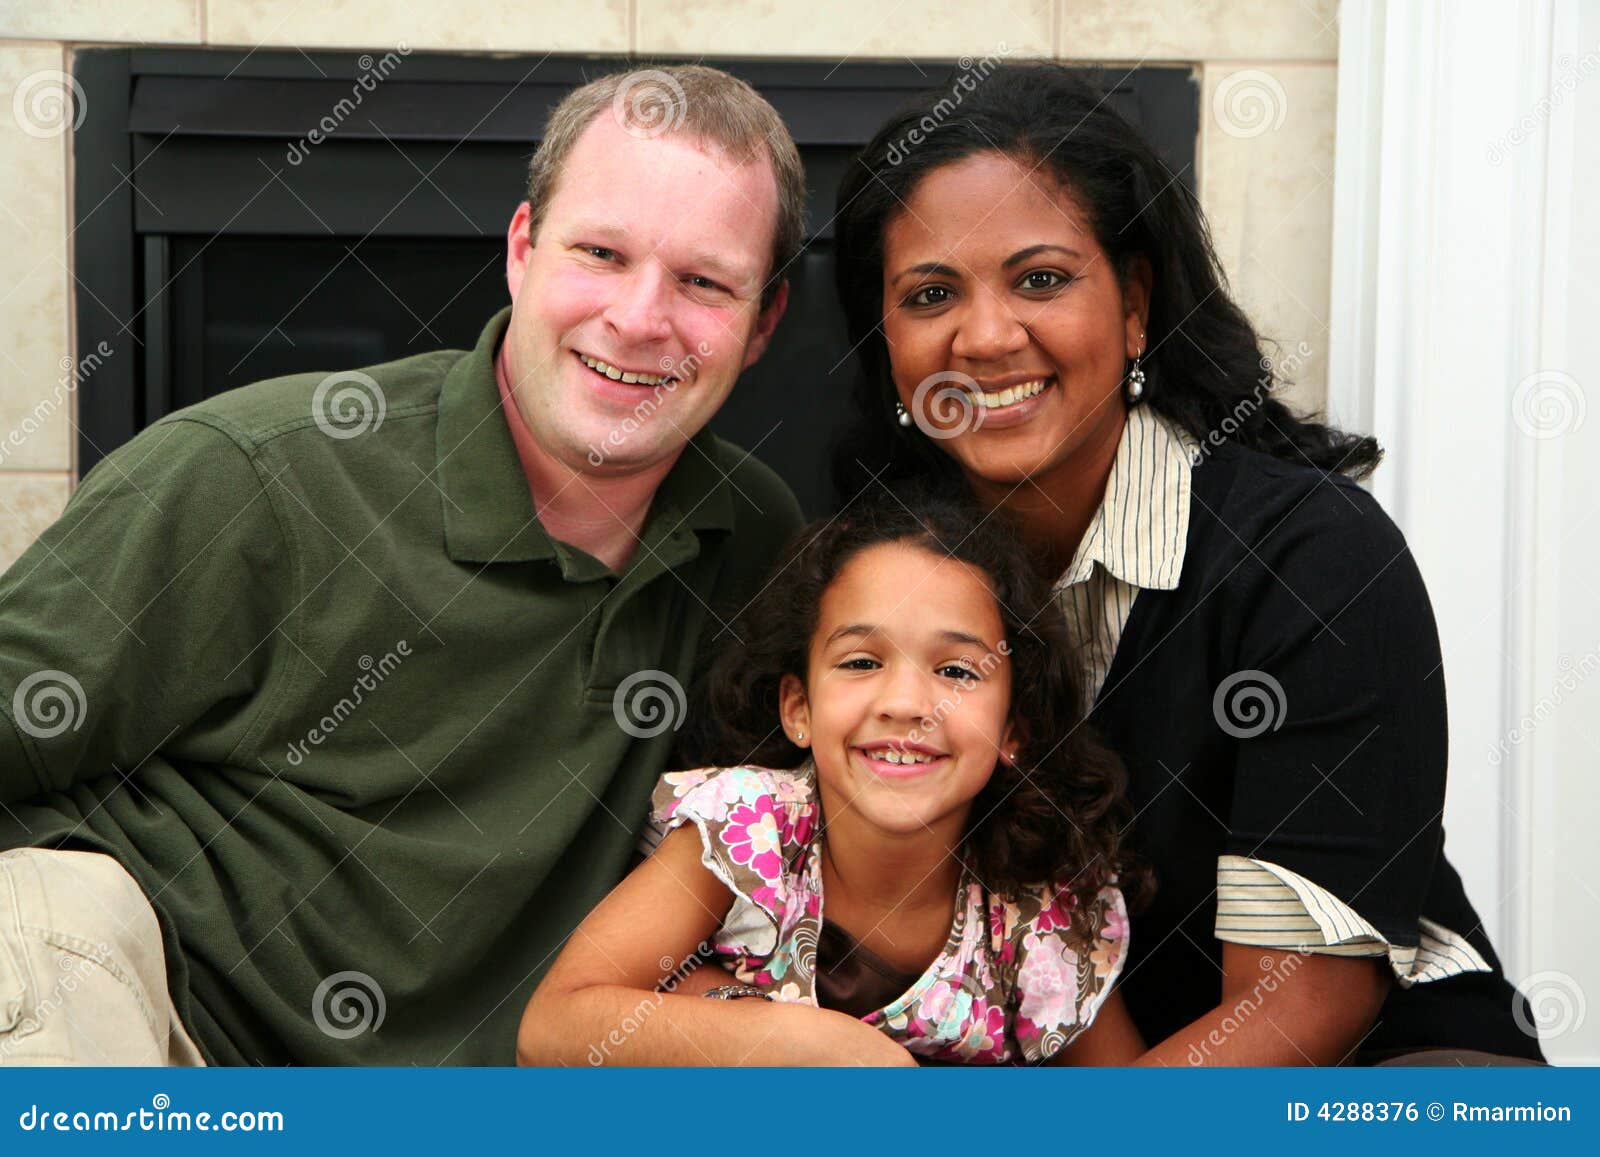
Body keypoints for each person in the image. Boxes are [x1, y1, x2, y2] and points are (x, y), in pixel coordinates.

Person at [0, 65, 804, 1066]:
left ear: (762, 322)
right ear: (522, 251)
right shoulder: (251, 472)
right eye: (600, 252)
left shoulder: (761, 542)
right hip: (166, 1037)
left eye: (703, 282)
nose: (640, 318)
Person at [828, 63, 1545, 1065]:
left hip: (1361, 1078)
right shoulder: (857, 577)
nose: (985, 336)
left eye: (1041, 279)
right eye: (930, 293)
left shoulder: (1312, 557)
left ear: (1133, 306)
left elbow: (1297, 1012)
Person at [519, 486, 1148, 1065]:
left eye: (956, 671)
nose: (904, 704)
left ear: (1015, 729)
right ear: (799, 708)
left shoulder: (1043, 913)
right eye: (861, 660)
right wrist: (797, 1040)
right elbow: (553, 1028)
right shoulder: (748, 832)